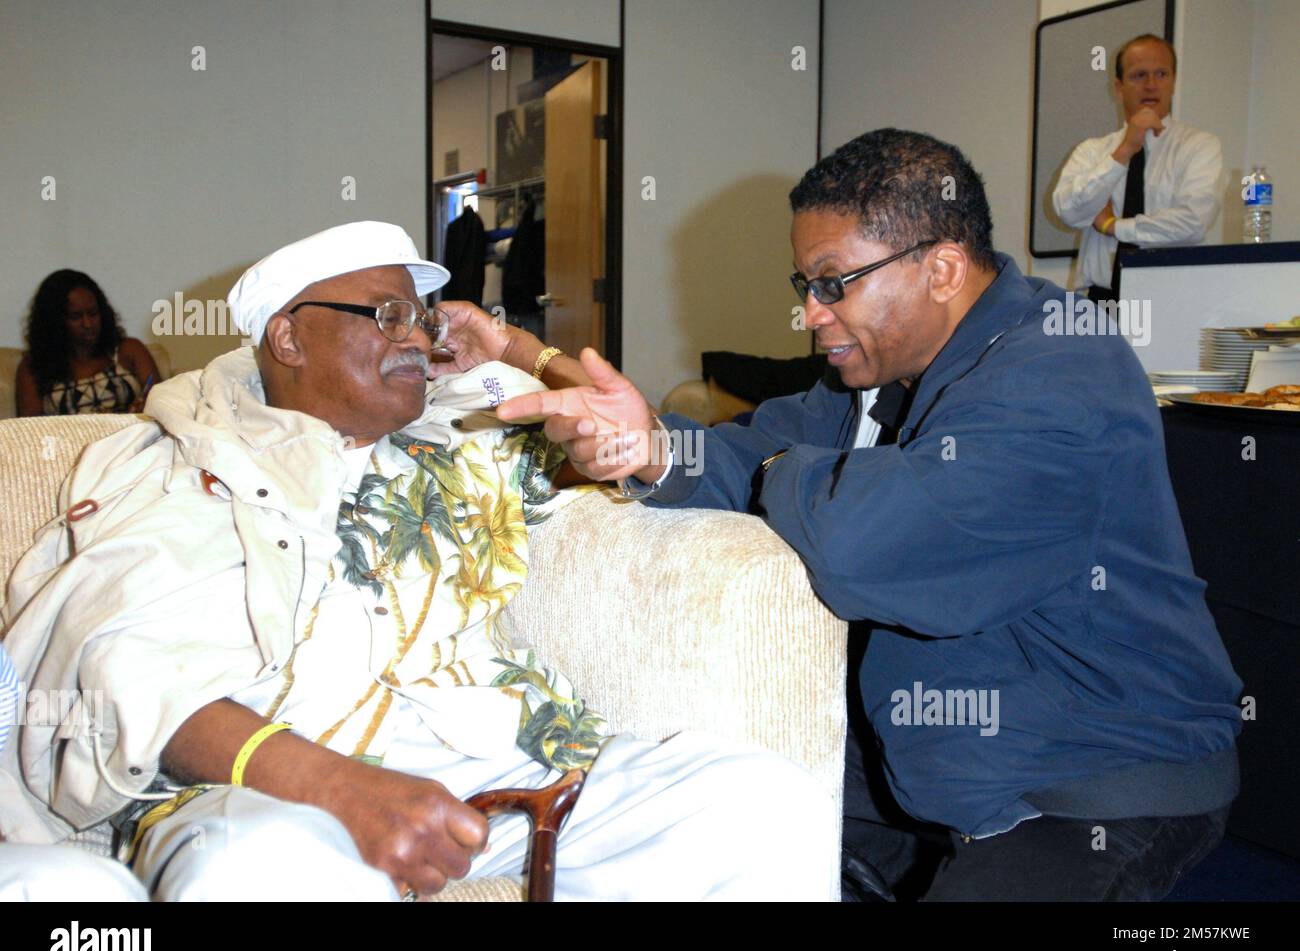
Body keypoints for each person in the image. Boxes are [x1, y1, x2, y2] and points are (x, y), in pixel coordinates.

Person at [496, 129, 1243, 901]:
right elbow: (748, 451)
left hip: (1094, 773)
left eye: (833, 283)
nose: (812, 315)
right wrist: (649, 446)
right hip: (935, 747)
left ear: (943, 268)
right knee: (700, 844)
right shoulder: (880, 372)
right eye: (805, 285)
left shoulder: (1062, 369)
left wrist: (783, 472)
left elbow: (864, 546)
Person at [0, 221, 836, 902]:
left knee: (764, 804)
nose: (419, 335)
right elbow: (117, 669)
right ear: (287, 336)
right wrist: (335, 788)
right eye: (387, 314)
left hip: (500, 777)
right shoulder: (184, 460)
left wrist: (520, 348)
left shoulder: (458, 437)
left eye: (422, 315)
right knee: (252, 869)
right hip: (266, 792)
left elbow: (624, 451)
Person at [1052, 34, 1223, 302]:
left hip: (1172, 298)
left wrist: (1113, 226)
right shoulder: (1092, 151)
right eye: (1139, 75)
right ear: (1119, 87)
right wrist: (1123, 152)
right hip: (1101, 302)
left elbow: (1193, 223)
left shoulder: (1199, 146)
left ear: (1174, 82)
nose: (1151, 85)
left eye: (1161, 74)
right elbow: (1068, 211)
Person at [15, 269, 160, 416]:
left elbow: (164, 404)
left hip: (132, 436)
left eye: (93, 313)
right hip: (69, 438)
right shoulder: (33, 366)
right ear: (55, 321)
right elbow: (29, 428)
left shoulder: (129, 350)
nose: (88, 323)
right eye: (75, 316)